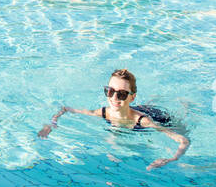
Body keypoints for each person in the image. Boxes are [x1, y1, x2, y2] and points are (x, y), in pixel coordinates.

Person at [38, 68, 189, 171]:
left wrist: (171, 159)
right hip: (130, 111)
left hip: (157, 116)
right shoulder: (104, 112)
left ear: (131, 97)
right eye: (110, 91)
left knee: (181, 122)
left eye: (122, 94)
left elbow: (183, 140)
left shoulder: (144, 122)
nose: (114, 98)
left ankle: (185, 105)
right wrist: (51, 124)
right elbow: (65, 109)